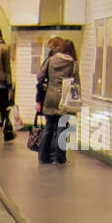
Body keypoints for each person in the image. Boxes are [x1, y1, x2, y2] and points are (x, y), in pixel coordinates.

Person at [36, 36, 78, 164]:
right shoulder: (72, 63)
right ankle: (60, 158)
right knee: (62, 127)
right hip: (64, 97)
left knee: (49, 127)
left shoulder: (50, 60)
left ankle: (43, 156)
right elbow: (76, 81)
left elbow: (40, 76)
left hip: (50, 96)